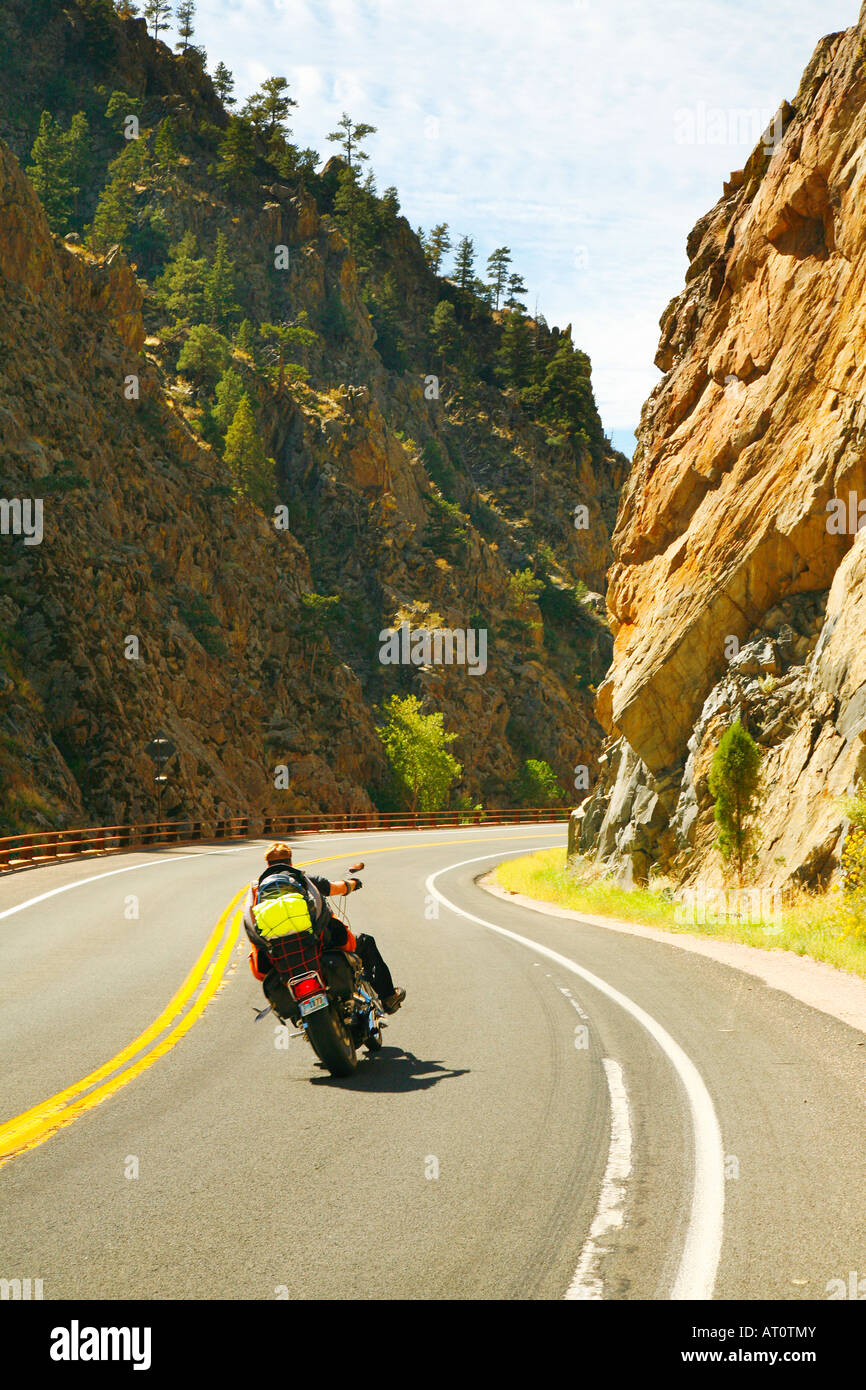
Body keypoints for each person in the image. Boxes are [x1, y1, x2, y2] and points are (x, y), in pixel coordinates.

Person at [244, 842, 406, 1017]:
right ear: (290, 862)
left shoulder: (257, 891)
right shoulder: (302, 880)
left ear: (267, 865)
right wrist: (352, 884)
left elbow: (249, 923)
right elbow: (335, 888)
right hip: (316, 947)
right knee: (366, 942)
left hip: (280, 958)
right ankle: (389, 998)